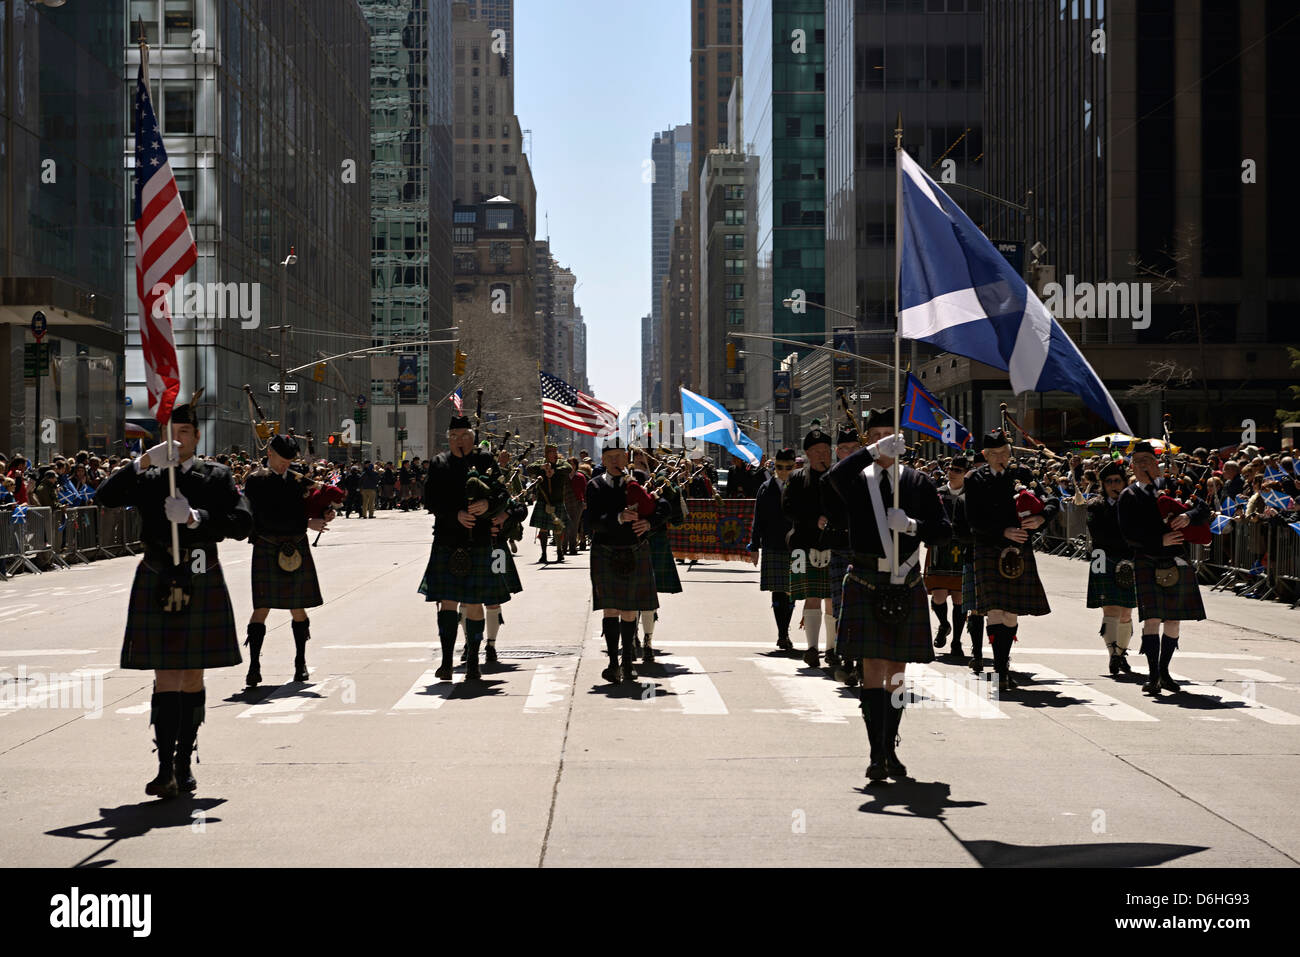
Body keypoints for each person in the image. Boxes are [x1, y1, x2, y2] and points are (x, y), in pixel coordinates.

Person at [93, 399, 252, 798]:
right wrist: (143, 461)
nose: (176, 441)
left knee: (192, 675)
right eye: (169, 434)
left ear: (196, 436)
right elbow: (104, 497)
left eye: (183, 433)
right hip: (158, 574)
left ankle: (184, 761)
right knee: (165, 675)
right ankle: (164, 767)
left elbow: (242, 523)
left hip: (200, 573)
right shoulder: (149, 477)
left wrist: (197, 518)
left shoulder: (215, 476)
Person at [825, 412, 948, 782]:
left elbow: (943, 531)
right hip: (866, 577)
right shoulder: (856, 479)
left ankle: (889, 746)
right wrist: (869, 452)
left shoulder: (918, 481)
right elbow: (834, 476)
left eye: (889, 435)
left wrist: (912, 526)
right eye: (876, 436)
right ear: (869, 440)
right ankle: (876, 753)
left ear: (902, 440)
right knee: (873, 668)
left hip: (905, 580)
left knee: (896, 671)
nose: (883, 441)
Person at [963, 429, 1058, 692]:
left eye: (1004, 452)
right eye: (994, 454)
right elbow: (974, 520)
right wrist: (1002, 531)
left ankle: (1002, 664)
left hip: (1018, 549)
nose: (1000, 458)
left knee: (1011, 611)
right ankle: (1000, 668)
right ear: (985, 455)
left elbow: (1051, 500)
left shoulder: (1023, 475)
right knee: (995, 609)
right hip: (989, 547)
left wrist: (1041, 518)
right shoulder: (974, 479)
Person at [419, 416, 508, 682]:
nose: (459, 440)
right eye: (454, 436)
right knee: (447, 602)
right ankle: (446, 661)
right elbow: (430, 500)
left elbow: (502, 494)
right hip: (448, 539)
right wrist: (454, 514)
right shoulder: (439, 463)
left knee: (474, 603)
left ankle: (473, 662)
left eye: (464, 435)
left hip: (478, 539)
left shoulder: (485, 460)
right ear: (448, 438)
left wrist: (487, 505)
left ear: (473, 437)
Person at [241, 435, 335, 687]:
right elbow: (266, 515)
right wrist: (307, 522)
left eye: (289, 461)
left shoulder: (297, 480)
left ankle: (300, 662)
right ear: (270, 454)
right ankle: (253, 666)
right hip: (268, 544)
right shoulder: (256, 481)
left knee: (298, 607)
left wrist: (324, 513)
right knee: (262, 607)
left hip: (295, 544)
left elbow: (308, 506)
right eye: (282, 460)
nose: (285, 465)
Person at [1117, 442, 1209, 696]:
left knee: (1174, 620)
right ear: (1132, 467)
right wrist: (1160, 540)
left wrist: (1189, 516)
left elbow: (1203, 508)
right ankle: (1153, 674)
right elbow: (1128, 534)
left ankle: (1165, 671)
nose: (1143, 465)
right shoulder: (1129, 496)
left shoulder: (1175, 486)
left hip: (1176, 559)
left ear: (1157, 464)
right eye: (1138, 461)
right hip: (1148, 558)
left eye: (1147, 459)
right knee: (1152, 619)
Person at [586, 437, 668, 683]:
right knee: (611, 609)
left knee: (630, 610)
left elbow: (664, 507)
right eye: (610, 457)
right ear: (603, 460)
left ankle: (628, 662)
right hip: (606, 549)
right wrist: (618, 518)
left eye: (620, 456)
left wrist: (650, 523)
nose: (615, 461)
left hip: (634, 549)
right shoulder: (595, 486)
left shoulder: (639, 480)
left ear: (626, 458)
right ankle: (613, 662)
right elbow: (591, 522)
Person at [782, 423, 837, 668]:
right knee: (811, 596)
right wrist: (814, 519)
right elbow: (787, 509)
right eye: (816, 451)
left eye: (825, 450)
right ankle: (812, 648)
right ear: (807, 454)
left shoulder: (837, 476)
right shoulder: (796, 478)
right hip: (803, 544)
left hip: (833, 544)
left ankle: (832, 649)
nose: (822, 454)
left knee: (832, 598)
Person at [1086, 460, 1137, 677]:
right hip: (1103, 558)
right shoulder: (1096, 505)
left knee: (1126, 612)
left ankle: (1120, 653)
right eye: (1109, 481)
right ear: (1103, 484)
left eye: (1117, 481)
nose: (1113, 485)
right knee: (1110, 610)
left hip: (1128, 560)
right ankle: (1113, 655)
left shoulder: (1133, 503)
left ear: (1124, 482)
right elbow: (1099, 534)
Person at [632, 447, 683, 662]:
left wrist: (650, 521)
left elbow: (668, 510)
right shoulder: (624, 479)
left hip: (652, 543)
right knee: (632, 596)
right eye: (635, 455)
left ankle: (647, 640)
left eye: (641, 455)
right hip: (628, 545)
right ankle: (633, 636)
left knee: (646, 596)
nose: (638, 458)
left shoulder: (660, 479)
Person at [749, 448, 797, 652]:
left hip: (797, 546)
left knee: (793, 591)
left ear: (794, 467)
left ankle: (785, 631)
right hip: (773, 544)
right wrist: (754, 546)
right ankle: (782, 633)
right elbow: (758, 519)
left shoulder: (800, 486)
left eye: (788, 467)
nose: (783, 471)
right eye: (779, 467)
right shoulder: (766, 488)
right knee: (778, 591)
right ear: (774, 466)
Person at [823, 426, 861, 681]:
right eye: (845, 449)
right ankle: (847, 658)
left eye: (854, 448)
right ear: (838, 452)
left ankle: (863, 659)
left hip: (866, 548)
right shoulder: (830, 478)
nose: (849, 453)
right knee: (841, 605)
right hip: (840, 547)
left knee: (864, 607)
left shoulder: (872, 476)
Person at [927, 456, 971, 661]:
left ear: (965, 473)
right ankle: (944, 625)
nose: (951, 472)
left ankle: (956, 641)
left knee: (959, 598)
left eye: (957, 470)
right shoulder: (939, 493)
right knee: (938, 596)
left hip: (962, 547)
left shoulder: (971, 495)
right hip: (940, 548)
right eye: (950, 468)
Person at [529, 445, 570, 564]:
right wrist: (542, 467)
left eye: (555, 452)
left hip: (557, 500)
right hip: (544, 500)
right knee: (543, 529)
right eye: (551, 452)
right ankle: (543, 554)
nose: (554, 454)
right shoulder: (540, 463)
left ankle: (559, 551)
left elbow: (568, 468)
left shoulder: (561, 463)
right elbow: (529, 468)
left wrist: (554, 470)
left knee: (558, 529)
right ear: (546, 453)